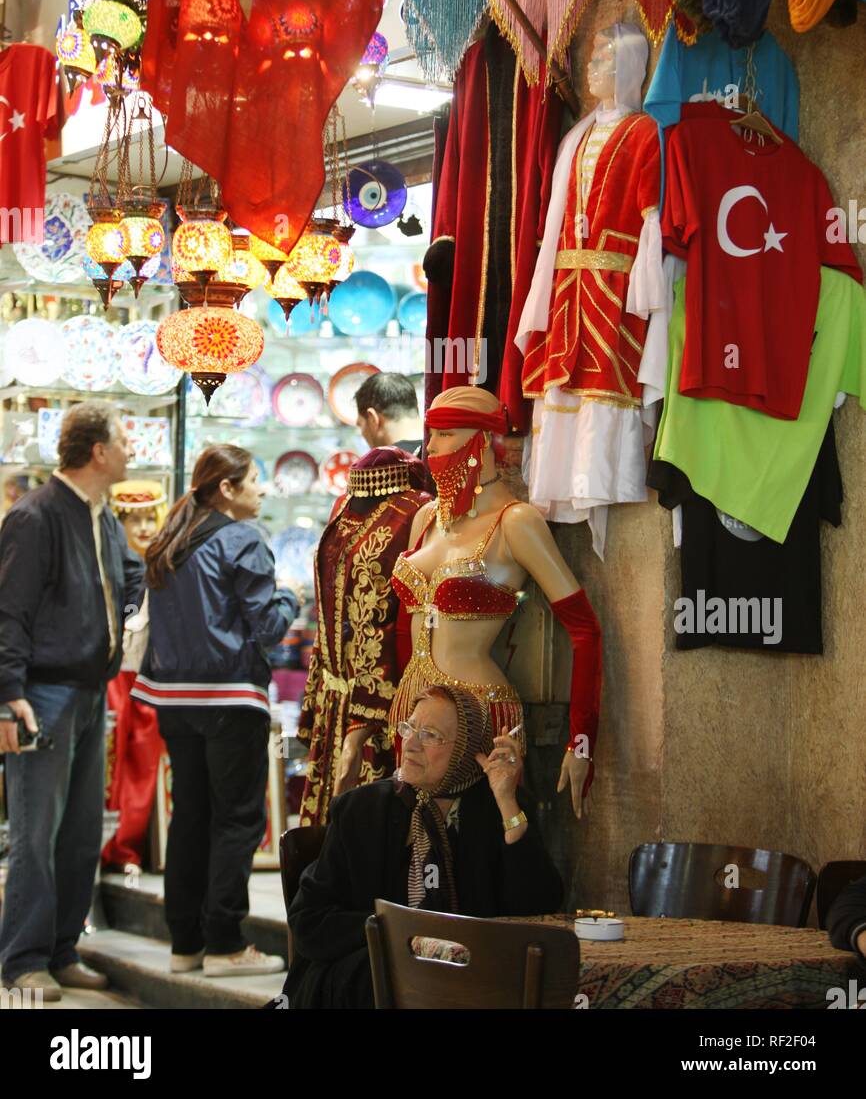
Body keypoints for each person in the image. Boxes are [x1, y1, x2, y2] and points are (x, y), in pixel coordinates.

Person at [390, 385, 602, 819]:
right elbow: (400, 626)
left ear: (482, 441)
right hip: (412, 709)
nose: (430, 447)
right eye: (431, 434)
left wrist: (581, 742)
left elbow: (585, 630)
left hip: (481, 714)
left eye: (446, 435)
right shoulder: (427, 518)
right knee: (413, 839)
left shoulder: (515, 522)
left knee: (479, 845)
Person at [282, 683, 562, 1008]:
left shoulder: (495, 806)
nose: (410, 744)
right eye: (409, 727)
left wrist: (508, 805)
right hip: (367, 984)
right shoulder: (362, 810)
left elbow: (539, 909)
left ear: (466, 751)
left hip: (471, 985)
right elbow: (309, 920)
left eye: (430, 735)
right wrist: (405, 937)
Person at [131, 445, 298, 979]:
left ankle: (187, 944)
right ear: (226, 488)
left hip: (173, 700)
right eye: (254, 478)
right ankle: (225, 943)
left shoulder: (170, 540)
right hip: (229, 696)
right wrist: (291, 597)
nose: (262, 488)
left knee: (191, 817)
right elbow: (268, 629)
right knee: (238, 820)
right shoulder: (242, 539)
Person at [0, 403, 144, 1002]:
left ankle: (60, 950)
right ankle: (22, 960)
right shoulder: (35, 517)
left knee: (81, 833)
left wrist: (131, 611)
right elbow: (8, 610)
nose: (130, 450)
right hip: (44, 695)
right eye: (122, 440)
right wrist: (8, 697)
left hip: (88, 694)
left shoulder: (102, 516)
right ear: (97, 452)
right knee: (37, 833)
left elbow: (129, 574)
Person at [298, 448, 431, 827]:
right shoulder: (343, 505)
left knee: (373, 827)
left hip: (381, 706)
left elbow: (397, 619)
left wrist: (361, 728)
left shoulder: (414, 511)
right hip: (333, 699)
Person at [101, 481, 169, 877]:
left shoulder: (164, 567)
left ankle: (127, 847)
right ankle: (103, 845)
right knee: (110, 761)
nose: (143, 527)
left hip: (150, 675)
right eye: (134, 520)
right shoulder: (112, 565)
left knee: (143, 761)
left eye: (149, 518)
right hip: (113, 675)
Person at [355, 371, 423, 454]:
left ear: (372, 419)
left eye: (360, 425)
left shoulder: (380, 464)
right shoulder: (440, 448)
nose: (361, 433)